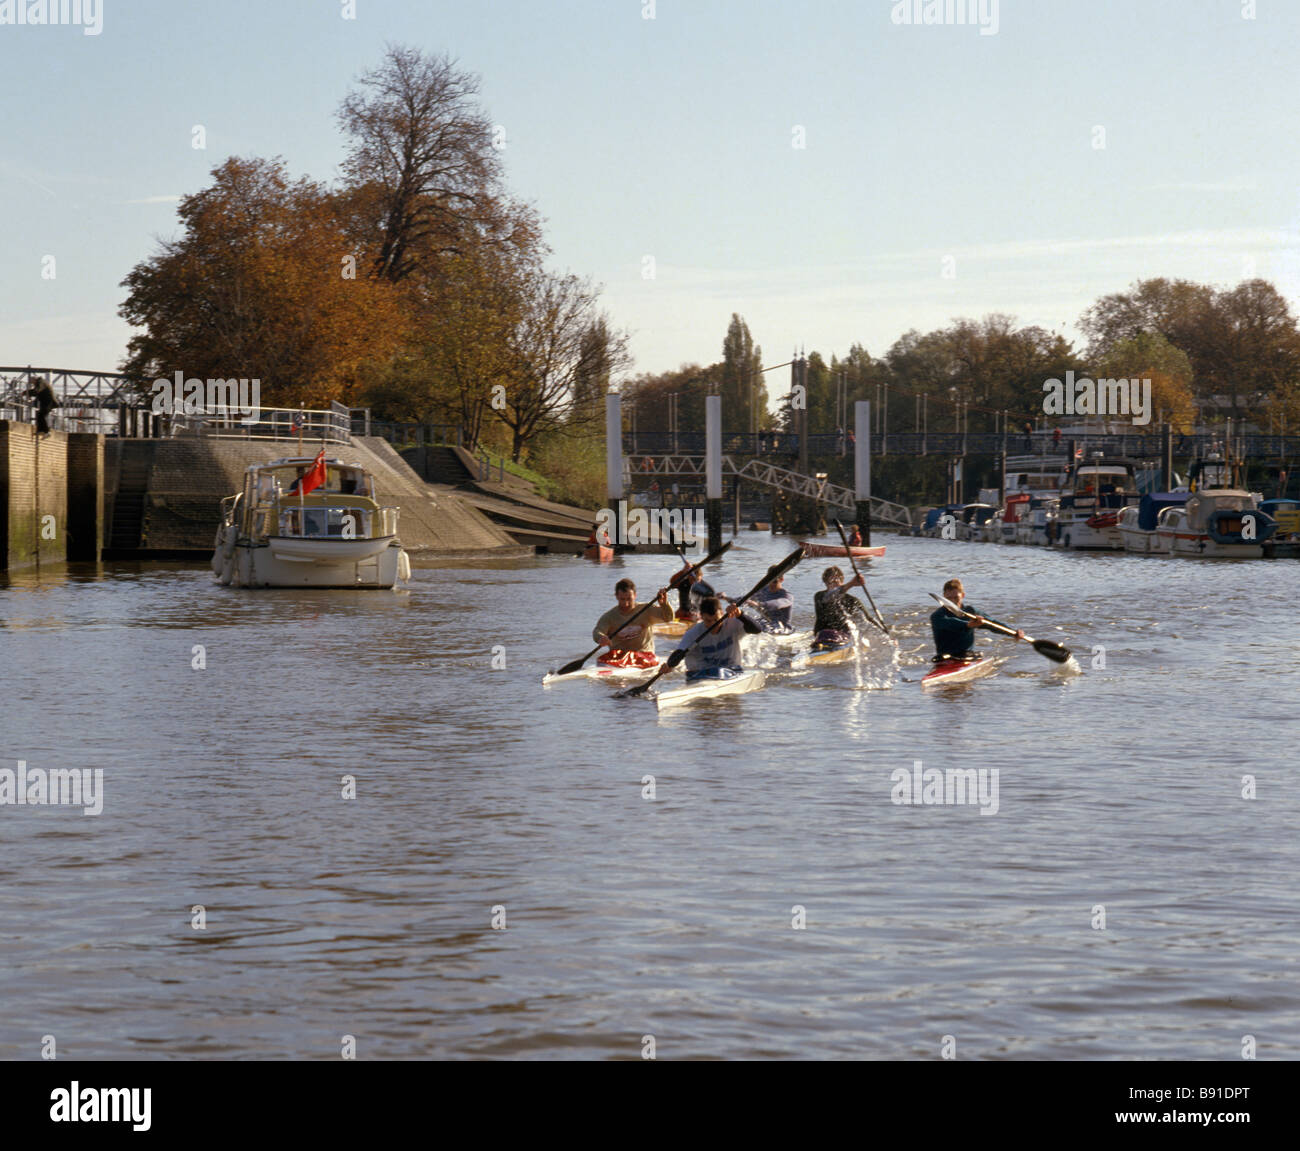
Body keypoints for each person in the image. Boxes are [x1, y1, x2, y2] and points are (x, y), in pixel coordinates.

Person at [929, 578, 1023, 661]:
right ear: (944, 597)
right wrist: (968, 625)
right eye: (949, 598)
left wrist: (1013, 632)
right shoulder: (937, 616)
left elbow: (992, 624)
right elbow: (951, 623)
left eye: (956, 597)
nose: (952, 601)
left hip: (966, 655)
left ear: (963, 595)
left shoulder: (971, 611)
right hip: (945, 656)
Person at [592, 578, 674, 668]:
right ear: (616, 596)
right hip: (619, 656)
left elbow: (668, 618)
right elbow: (598, 631)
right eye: (622, 599)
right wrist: (601, 638)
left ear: (635, 595)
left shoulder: (646, 609)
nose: (626, 603)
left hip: (644, 655)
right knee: (601, 660)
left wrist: (664, 604)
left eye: (629, 599)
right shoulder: (609, 616)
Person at [675, 596, 761, 680]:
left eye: (716, 620)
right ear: (701, 617)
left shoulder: (733, 623)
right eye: (708, 621)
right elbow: (679, 652)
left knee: (719, 671)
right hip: (700, 674)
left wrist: (740, 615)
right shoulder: (693, 633)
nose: (713, 624)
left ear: (722, 614)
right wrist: (669, 666)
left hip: (732, 671)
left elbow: (757, 630)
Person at [812, 566, 872, 649]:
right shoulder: (819, 596)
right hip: (822, 635)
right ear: (825, 583)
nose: (835, 582)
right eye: (831, 581)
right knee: (825, 634)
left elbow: (869, 619)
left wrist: (887, 636)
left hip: (843, 636)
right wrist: (851, 583)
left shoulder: (852, 600)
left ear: (842, 582)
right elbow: (830, 597)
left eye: (838, 580)